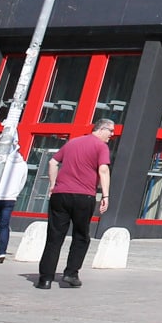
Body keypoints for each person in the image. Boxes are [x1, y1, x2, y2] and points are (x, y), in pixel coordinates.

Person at [39, 117, 115, 290]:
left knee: (54, 237)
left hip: (60, 195)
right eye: (110, 131)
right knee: (81, 236)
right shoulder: (101, 146)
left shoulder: (73, 143)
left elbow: (53, 162)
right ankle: (71, 273)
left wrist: (53, 185)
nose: (111, 135)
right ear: (101, 129)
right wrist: (106, 195)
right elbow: (103, 169)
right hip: (83, 196)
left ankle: (45, 279)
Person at [0, 143, 32, 264]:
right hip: (10, 199)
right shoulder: (23, 164)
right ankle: (2, 251)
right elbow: (22, 182)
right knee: (4, 225)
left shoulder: (1, 161)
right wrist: (15, 194)